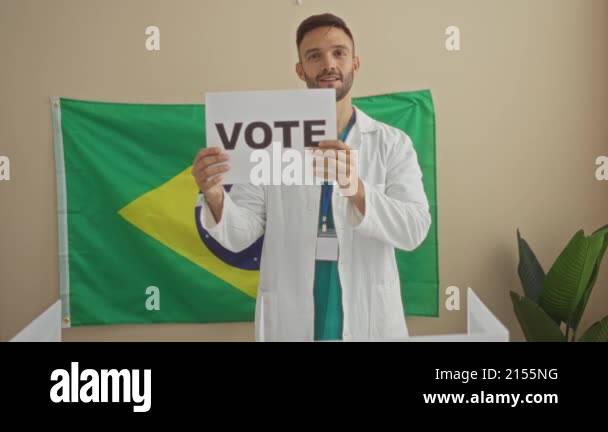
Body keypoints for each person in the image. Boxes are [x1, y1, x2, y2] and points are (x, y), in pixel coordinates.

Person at [192, 13, 431, 341]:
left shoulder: (392, 143)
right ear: (300, 69)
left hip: (367, 313)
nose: (328, 64)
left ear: (355, 63)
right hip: (291, 313)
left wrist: (357, 190)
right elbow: (240, 235)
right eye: (314, 55)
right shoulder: (271, 140)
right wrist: (216, 195)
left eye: (339, 52)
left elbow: (414, 229)